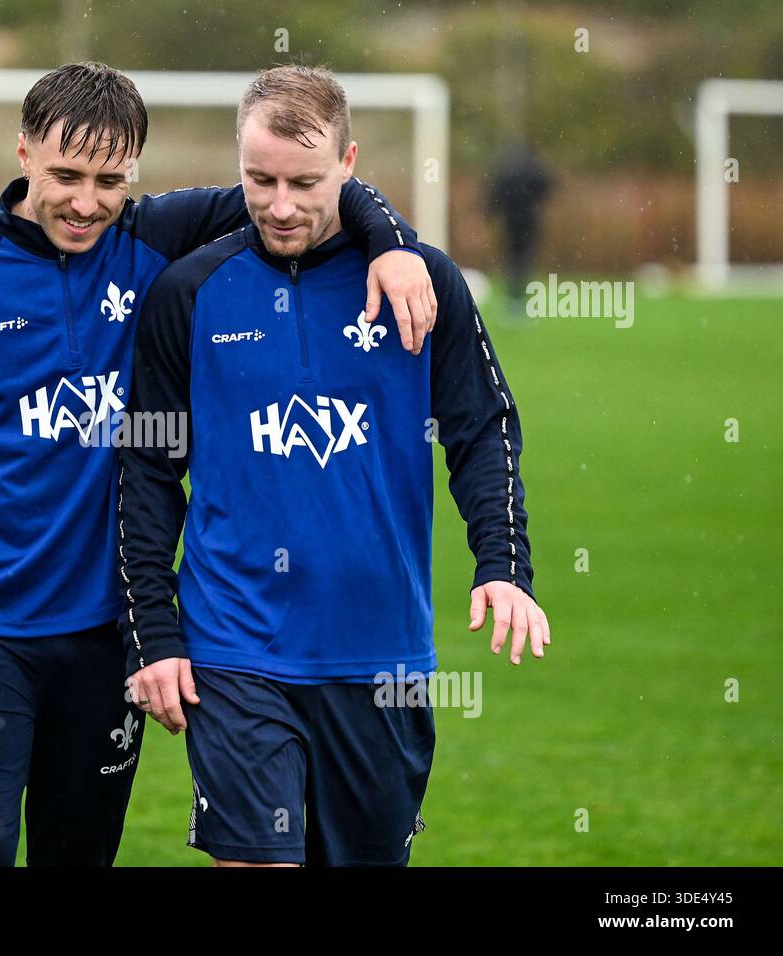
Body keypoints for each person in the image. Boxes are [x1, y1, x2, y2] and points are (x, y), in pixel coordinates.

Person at [0, 61, 438, 866]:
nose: (85, 202)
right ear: (23, 149)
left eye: (110, 180)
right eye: (65, 174)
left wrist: (389, 245)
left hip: (106, 643)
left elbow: (306, 185)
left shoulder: (155, 240)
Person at [117, 65, 550, 867]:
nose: (281, 205)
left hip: (380, 653)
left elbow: (481, 429)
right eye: (260, 180)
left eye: (305, 182)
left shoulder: (425, 285)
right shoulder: (188, 294)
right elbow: (145, 471)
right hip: (235, 645)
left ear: (350, 166)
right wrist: (156, 633)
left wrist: (503, 563)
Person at [487, 142, 553, 314]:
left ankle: (513, 296)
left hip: (510, 221)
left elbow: (495, 194)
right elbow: (547, 186)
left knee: (512, 258)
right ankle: (519, 296)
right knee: (523, 258)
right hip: (528, 220)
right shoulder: (533, 170)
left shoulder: (507, 172)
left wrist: (489, 214)